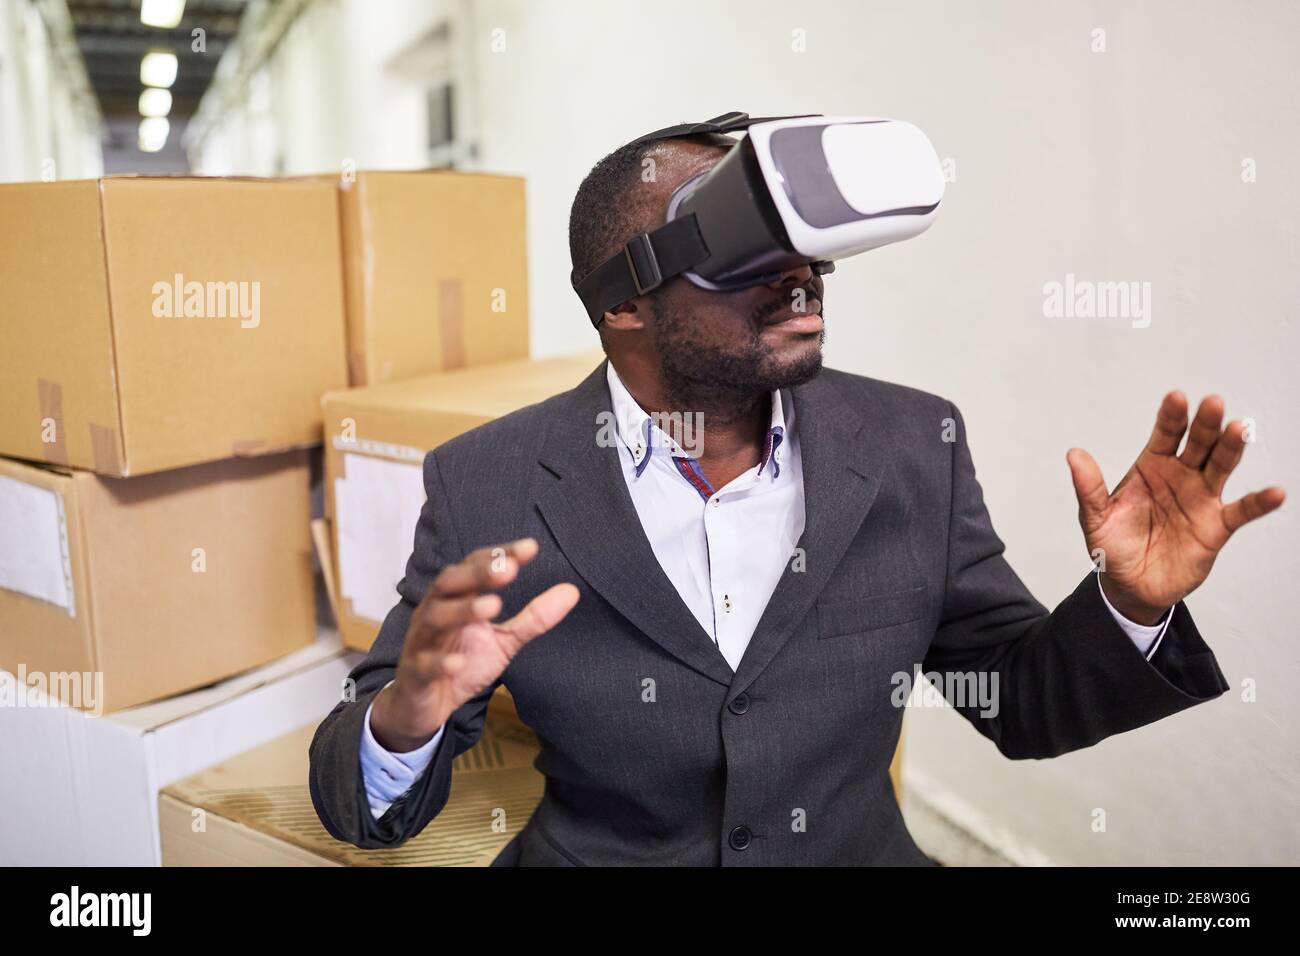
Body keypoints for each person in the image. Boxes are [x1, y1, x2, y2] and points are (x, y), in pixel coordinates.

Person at [308, 127, 1285, 866]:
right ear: (622, 303)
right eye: (741, 246)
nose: (801, 279)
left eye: (806, 245)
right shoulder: (489, 478)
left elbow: (1019, 704)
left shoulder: (910, 443)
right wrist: (409, 711)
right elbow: (367, 808)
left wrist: (1130, 605)